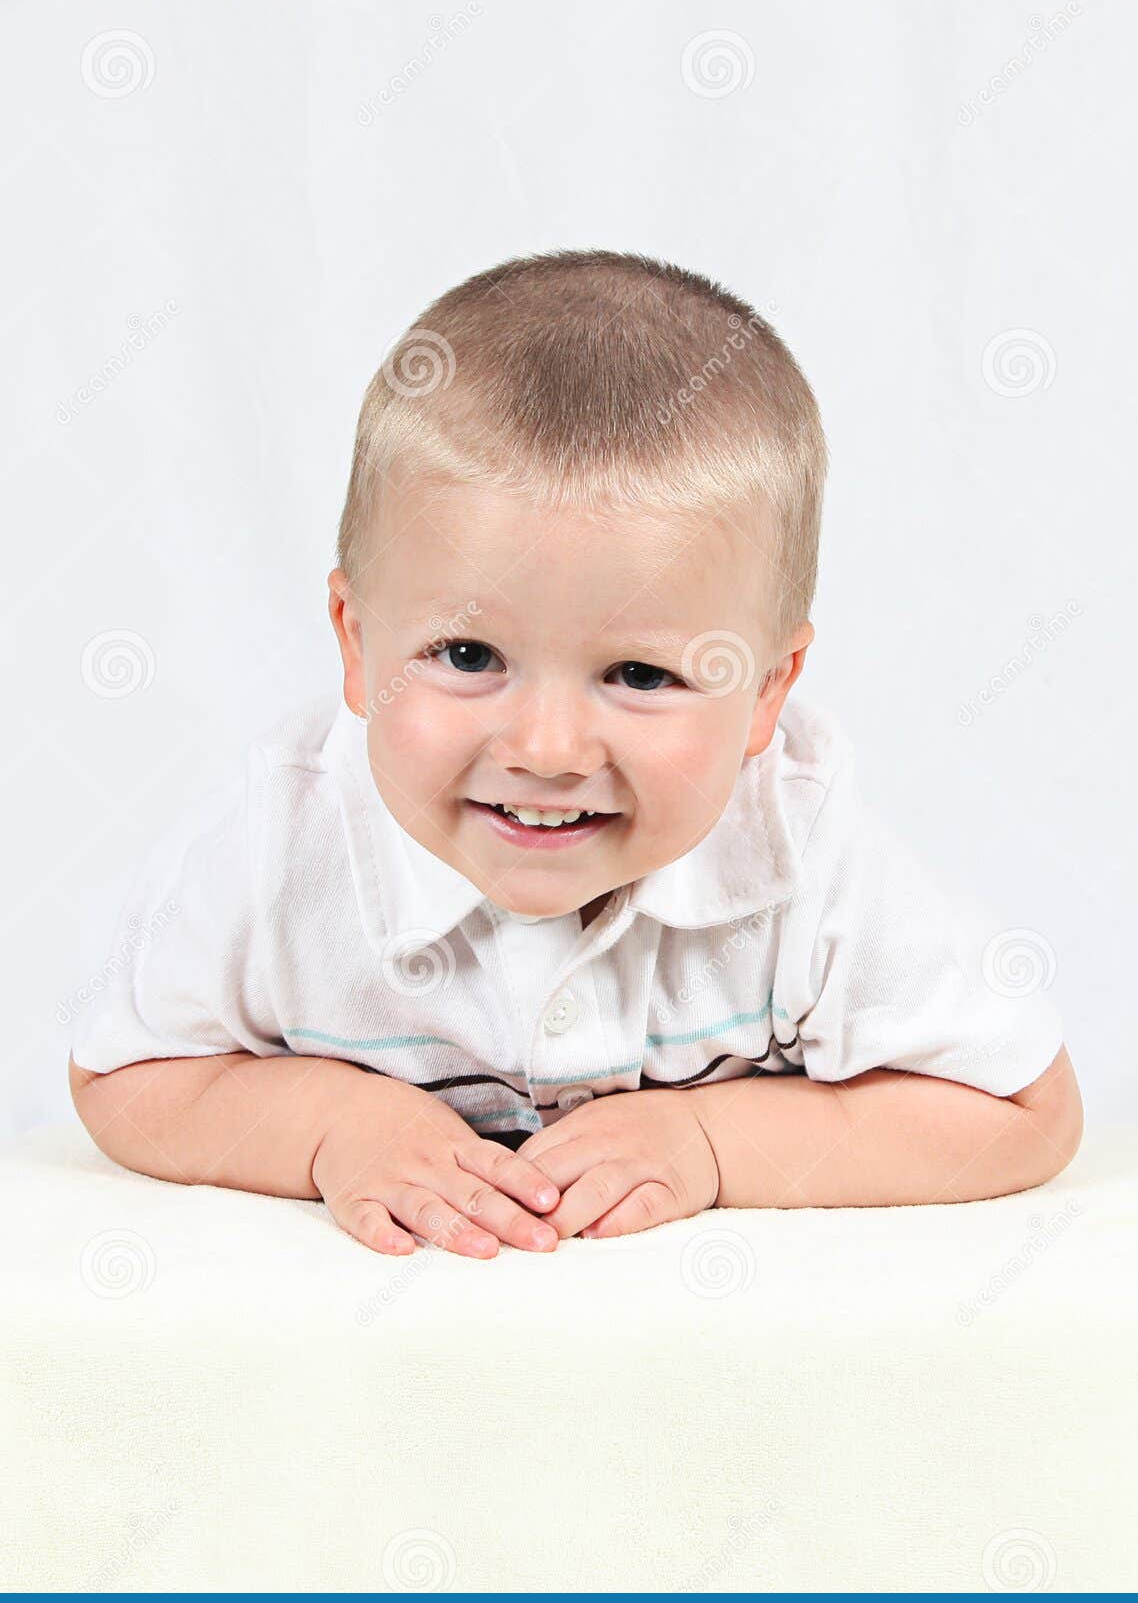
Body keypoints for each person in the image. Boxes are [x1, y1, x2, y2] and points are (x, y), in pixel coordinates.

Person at [68, 249, 1083, 1260]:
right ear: (354, 641)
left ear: (767, 690)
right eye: (468, 655)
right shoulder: (283, 840)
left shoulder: (797, 846)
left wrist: (714, 1142)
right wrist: (332, 1125)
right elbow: (121, 1073)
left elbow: (1023, 1106)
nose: (548, 749)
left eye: (640, 675)